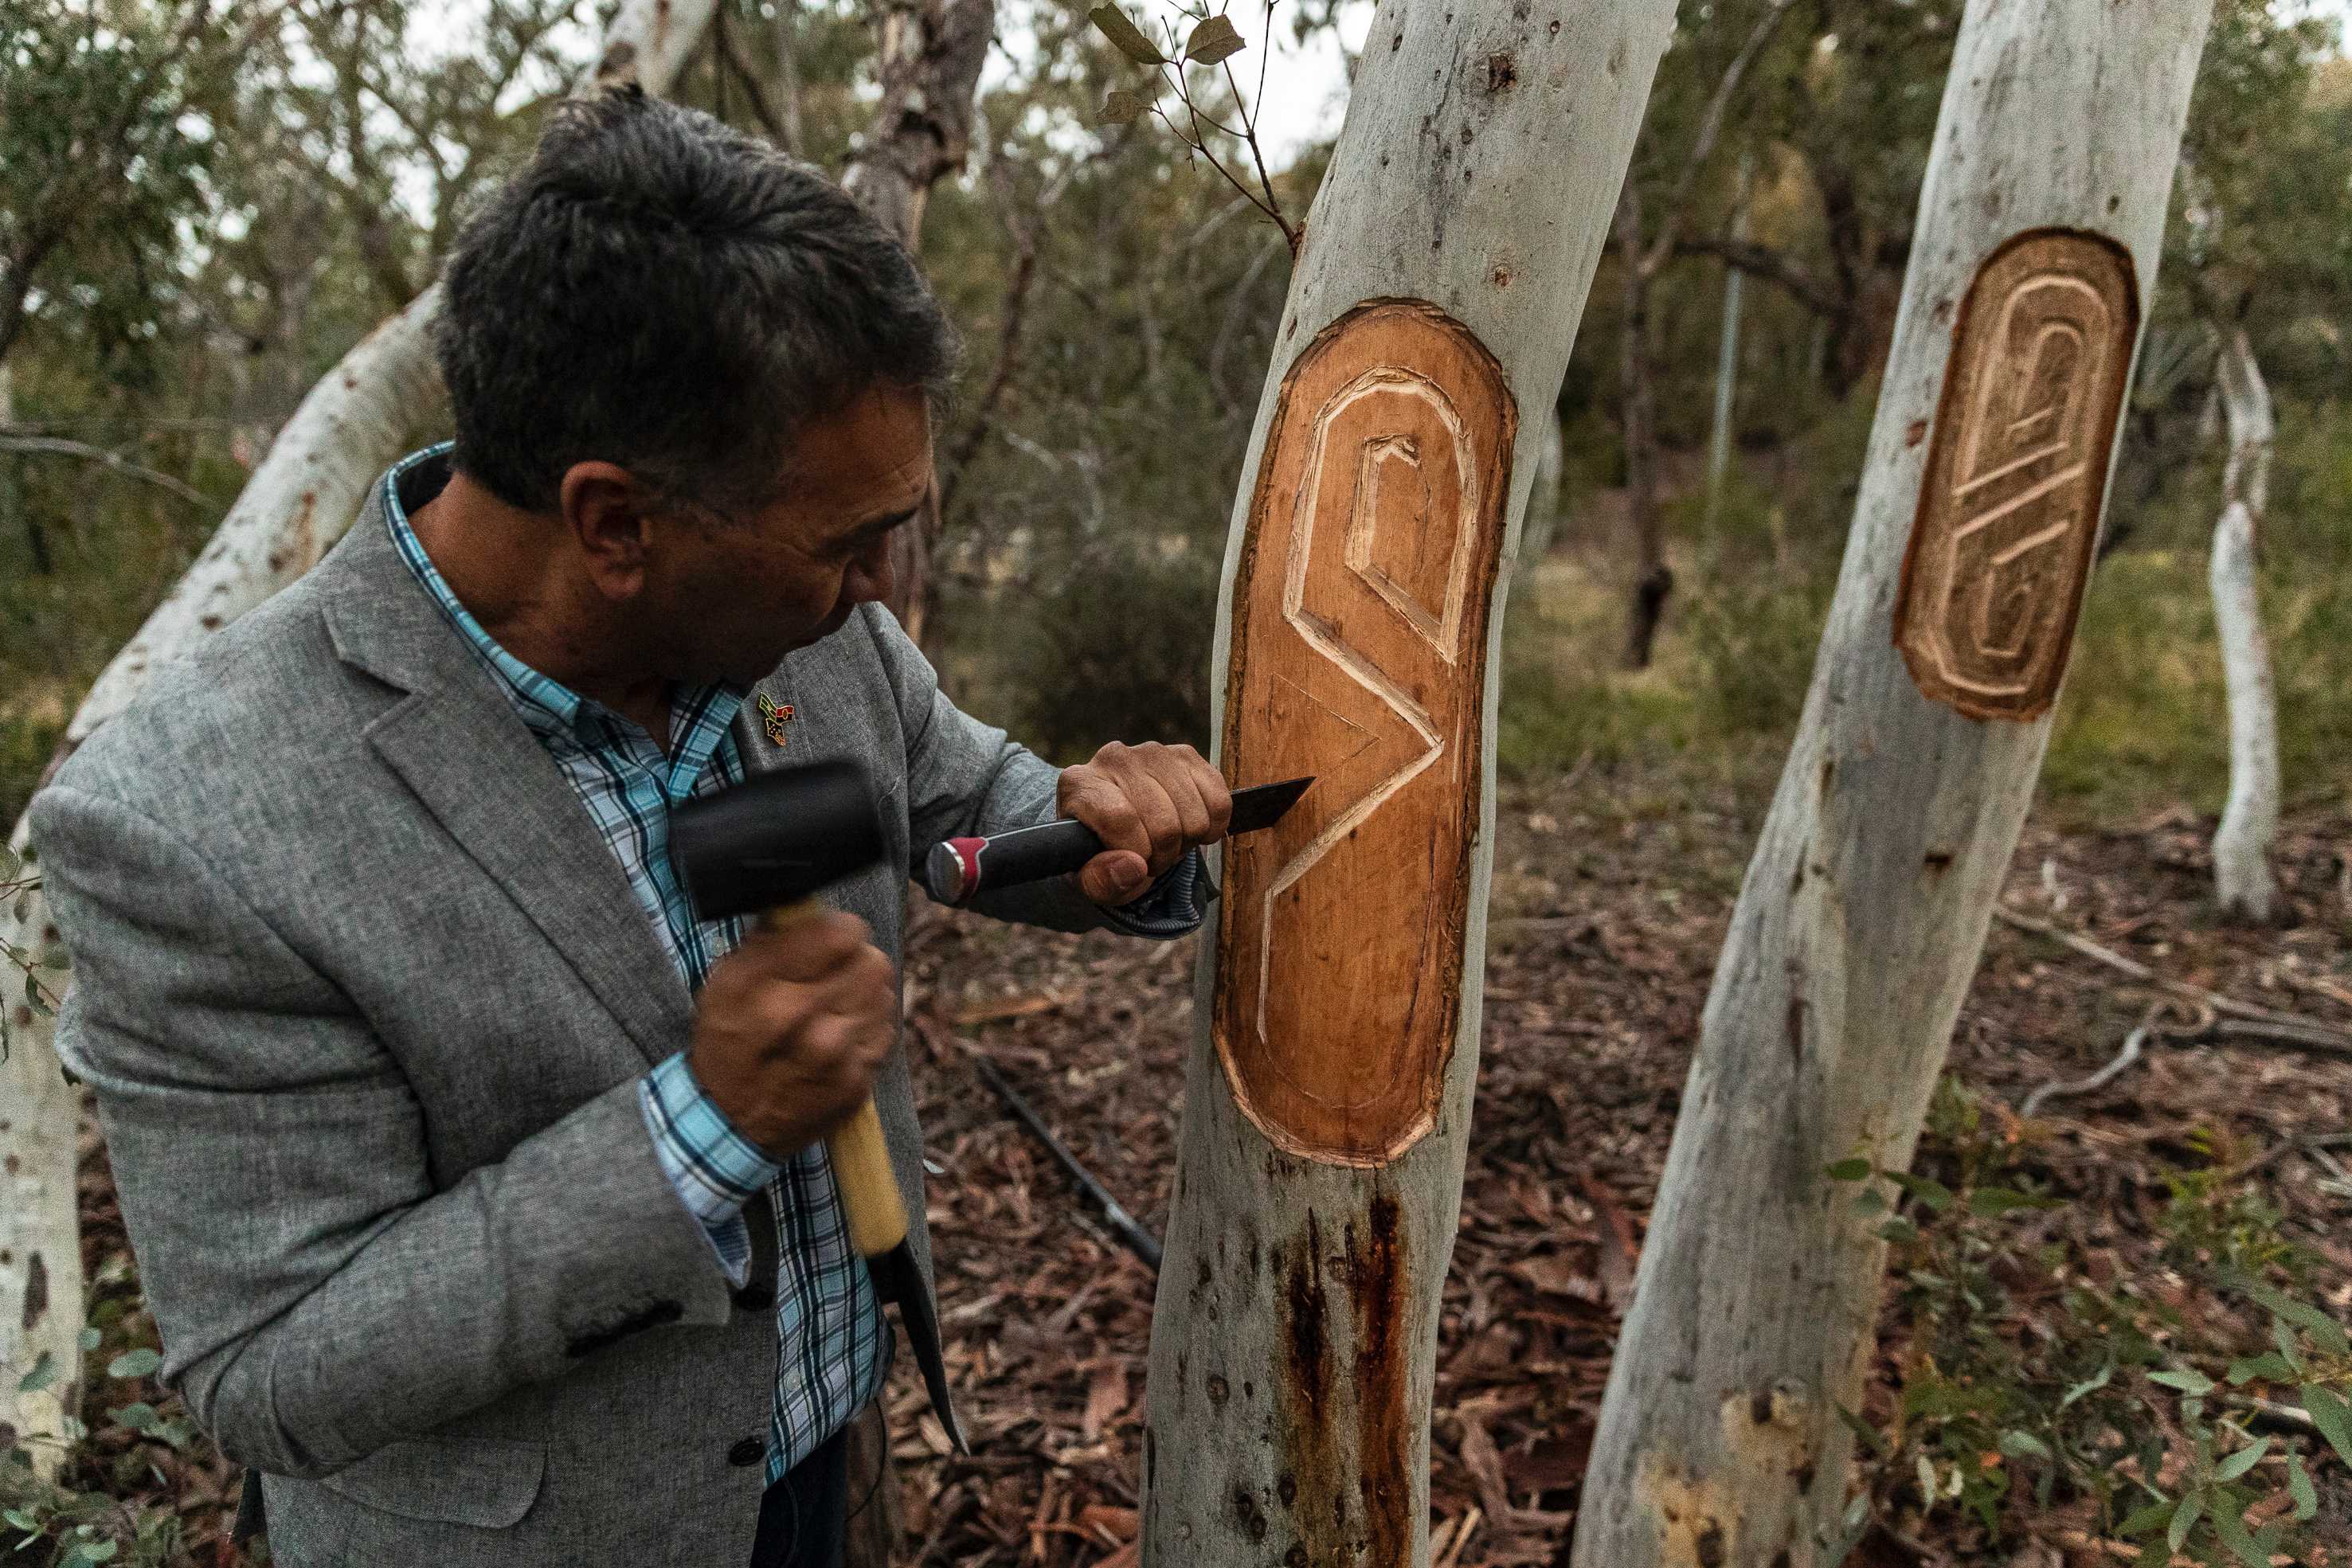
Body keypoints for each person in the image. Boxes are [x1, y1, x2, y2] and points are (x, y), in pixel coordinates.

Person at [26, 87, 1230, 1568]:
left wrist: (1124, 830)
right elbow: (275, 1366)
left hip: (807, 1457)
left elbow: (971, 803)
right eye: (848, 545)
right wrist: (696, 1130)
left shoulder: (813, 629)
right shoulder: (188, 819)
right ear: (613, 524)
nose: (882, 590)